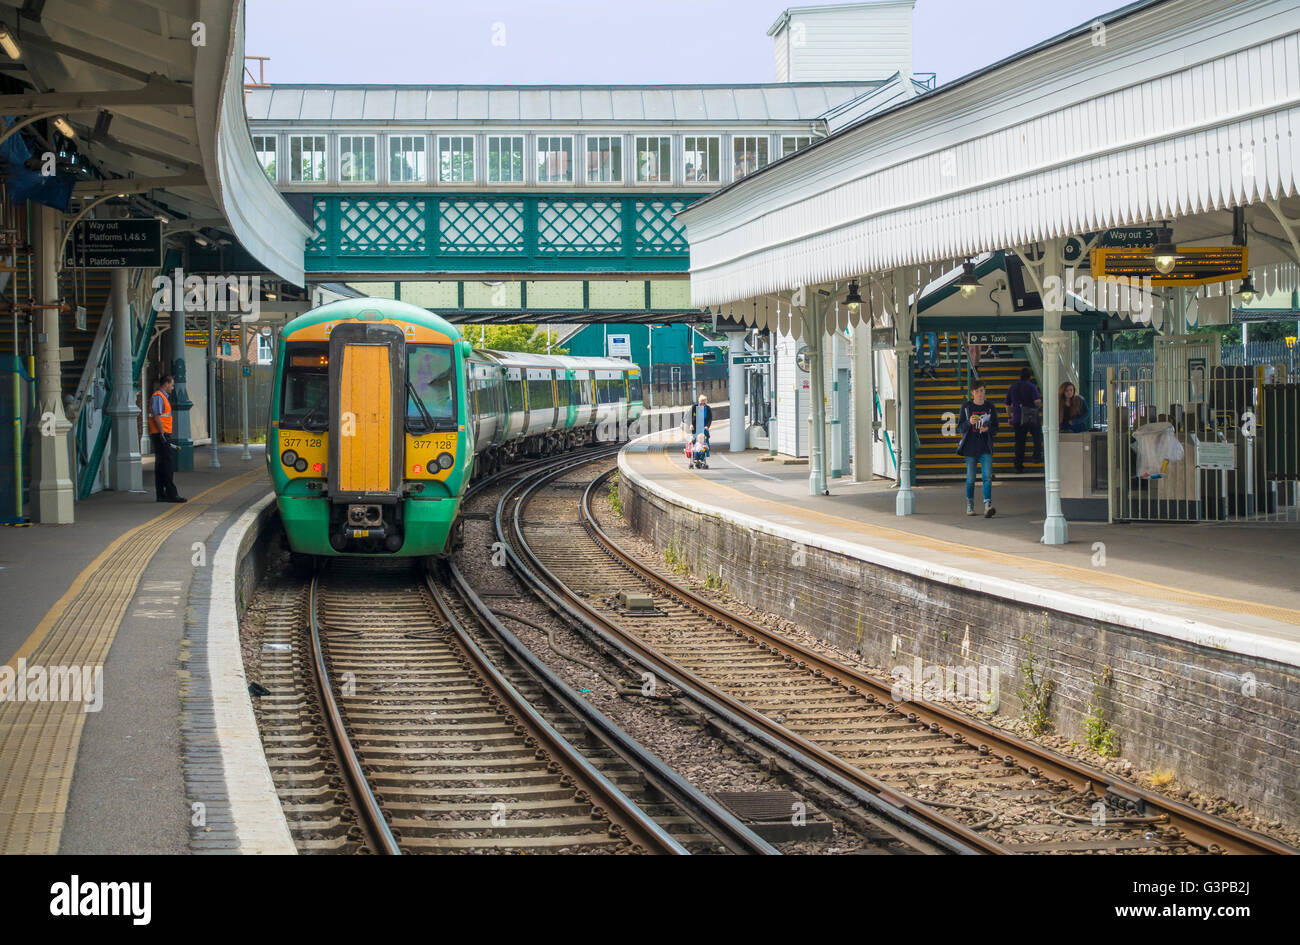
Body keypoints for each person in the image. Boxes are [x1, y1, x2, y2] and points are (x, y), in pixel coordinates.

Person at [956, 379, 998, 517]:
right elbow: (960, 428)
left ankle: (987, 505)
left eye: (983, 391)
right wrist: (969, 422)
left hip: (985, 446)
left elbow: (996, 427)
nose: (981, 393)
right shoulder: (966, 407)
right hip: (970, 447)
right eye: (978, 391)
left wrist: (988, 428)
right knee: (971, 478)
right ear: (973, 392)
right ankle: (970, 504)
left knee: (987, 477)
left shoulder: (990, 407)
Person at [149, 374, 186, 503]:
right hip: (161, 435)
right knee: (167, 465)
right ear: (166, 384)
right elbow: (157, 416)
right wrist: (163, 433)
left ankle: (161, 494)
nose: (172, 387)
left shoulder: (161, 397)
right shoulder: (159, 397)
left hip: (159, 434)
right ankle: (171, 494)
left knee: (160, 466)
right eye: (172, 385)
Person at [1005, 367, 1043, 474]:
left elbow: (1007, 405)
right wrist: (1039, 404)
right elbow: (1037, 401)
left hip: (1017, 418)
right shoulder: (1031, 386)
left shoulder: (1012, 387)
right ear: (1029, 376)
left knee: (1020, 443)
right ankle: (1036, 456)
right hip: (1031, 417)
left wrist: (1009, 417)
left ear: (1019, 376)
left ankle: (1018, 466)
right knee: (1037, 436)